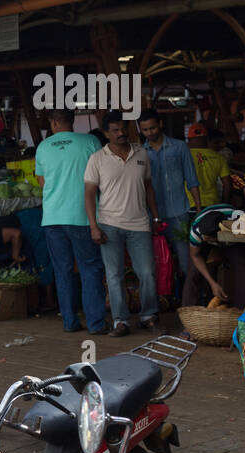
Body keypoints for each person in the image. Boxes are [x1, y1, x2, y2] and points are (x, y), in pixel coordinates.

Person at [84, 110, 161, 337]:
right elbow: (89, 194)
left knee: (147, 272)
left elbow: (148, 188)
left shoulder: (142, 154)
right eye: (115, 130)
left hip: (140, 224)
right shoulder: (97, 159)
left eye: (123, 128)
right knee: (114, 275)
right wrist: (93, 226)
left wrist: (156, 217)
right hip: (109, 224)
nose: (121, 133)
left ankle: (148, 315)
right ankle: (121, 321)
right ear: (106, 134)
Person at [36, 109, 106, 334]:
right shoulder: (90, 141)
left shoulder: (43, 147)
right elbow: (102, 177)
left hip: (53, 217)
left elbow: (42, 182)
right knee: (90, 269)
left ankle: (69, 321)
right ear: (72, 120)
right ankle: (96, 324)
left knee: (62, 270)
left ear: (54, 122)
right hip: (82, 216)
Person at [138, 110, 198, 297]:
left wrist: (199, 210)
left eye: (153, 128)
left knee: (185, 263)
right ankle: (164, 302)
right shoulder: (140, 153)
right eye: (145, 130)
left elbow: (192, 181)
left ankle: (190, 303)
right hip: (150, 217)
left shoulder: (179, 147)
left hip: (178, 213)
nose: (150, 133)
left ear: (161, 124)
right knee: (155, 263)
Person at [181, 202, 245, 308]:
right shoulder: (196, 232)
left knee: (243, 264)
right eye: (204, 237)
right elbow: (195, 256)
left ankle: (240, 310)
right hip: (212, 232)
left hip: (232, 236)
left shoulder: (238, 221)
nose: (206, 239)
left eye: (209, 238)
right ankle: (188, 311)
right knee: (193, 271)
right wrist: (212, 283)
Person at [186, 122, 230, 209]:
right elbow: (227, 185)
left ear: (188, 139)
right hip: (212, 205)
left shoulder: (183, 157)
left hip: (189, 205)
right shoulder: (219, 158)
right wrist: (225, 204)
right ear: (206, 139)